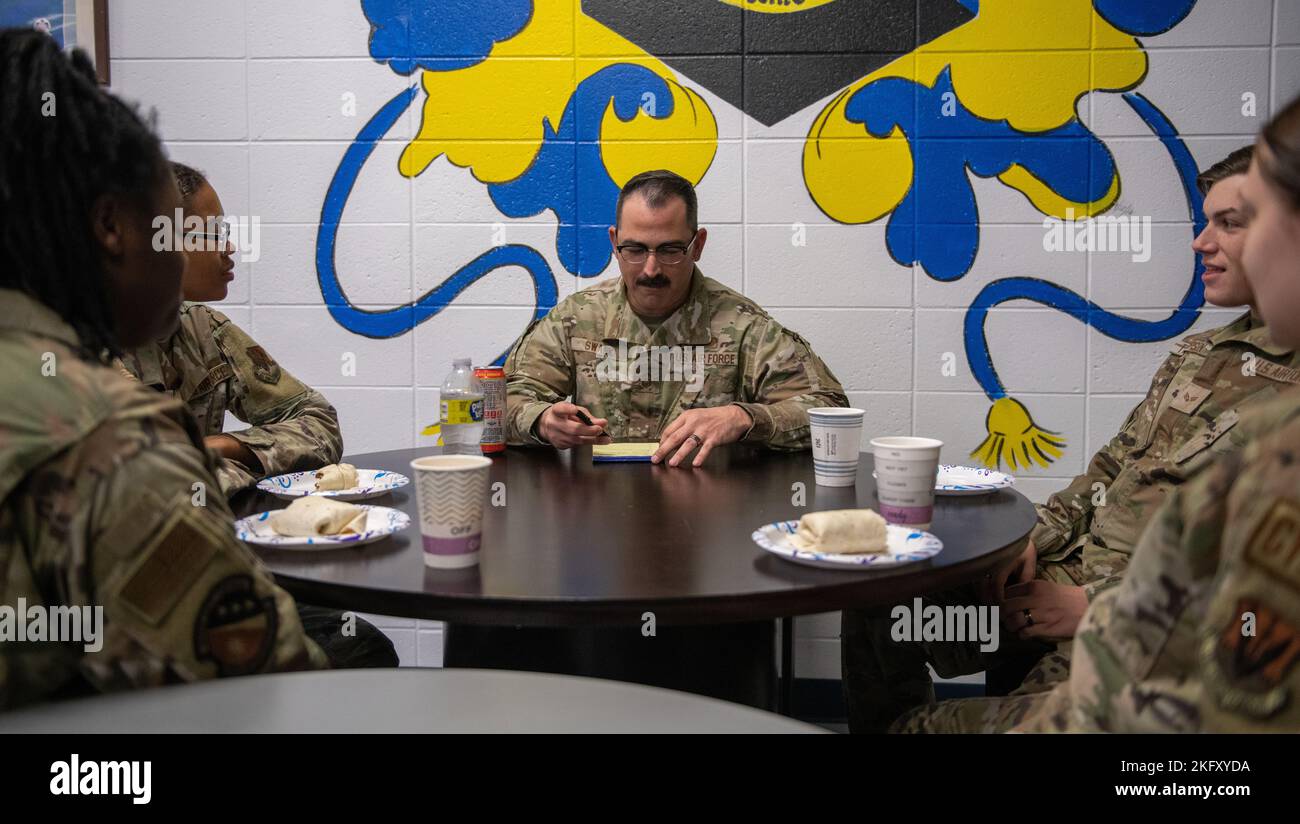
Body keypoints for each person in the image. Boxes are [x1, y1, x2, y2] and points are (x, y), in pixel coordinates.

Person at [842, 145, 1300, 732]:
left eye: (1228, 224)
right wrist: (1025, 538)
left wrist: (1094, 609)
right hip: (1064, 581)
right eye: (1205, 222)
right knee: (885, 607)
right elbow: (1111, 473)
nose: (1200, 243)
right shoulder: (1201, 355)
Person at [0, 28, 329, 710]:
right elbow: (266, 696)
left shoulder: (197, 335)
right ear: (114, 227)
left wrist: (224, 452)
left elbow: (316, 418)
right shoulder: (110, 440)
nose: (189, 256)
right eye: (174, 228)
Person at [505, 169, 848, 467]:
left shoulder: (744, 327)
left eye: (670, 250)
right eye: (635, 250)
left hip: (712, 516)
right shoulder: (577, 319)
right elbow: (502, 402)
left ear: (697, 245)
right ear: (614, 242)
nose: (651, 269)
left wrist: (744, 418)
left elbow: (830, 412)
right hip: (599, 514)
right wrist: (542, 421)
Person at [118, 163, 343, 497]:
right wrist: (241, 466)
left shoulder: (203, 328)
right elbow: (148, 480)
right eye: (215, 232)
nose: (229, 248)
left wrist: (223, 447)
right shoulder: (80, 347)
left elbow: (321, 424)